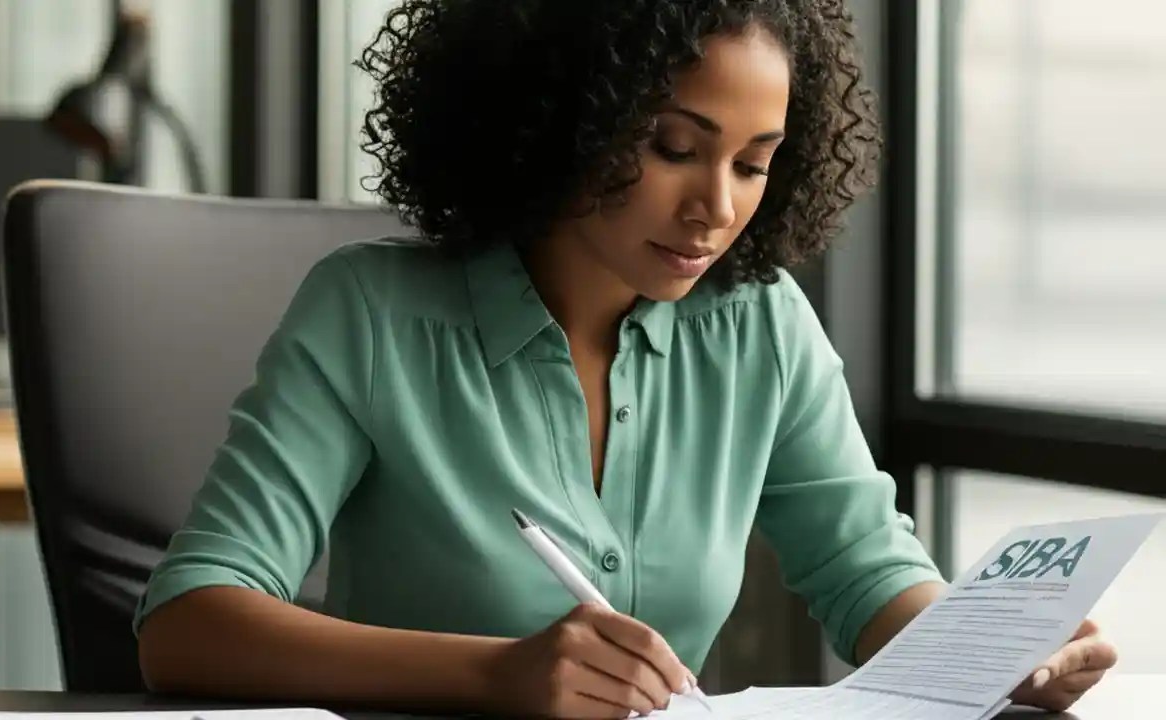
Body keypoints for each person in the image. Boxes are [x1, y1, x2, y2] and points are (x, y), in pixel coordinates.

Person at [135, 2, 1116, 717]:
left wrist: (990, 652)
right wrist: (496, 674)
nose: (716, 208)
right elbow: (188, 623)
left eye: (752, 162)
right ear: (562, 116)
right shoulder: (371, 314)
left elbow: (863, 568)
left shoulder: (759, 323)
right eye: (673, 148)